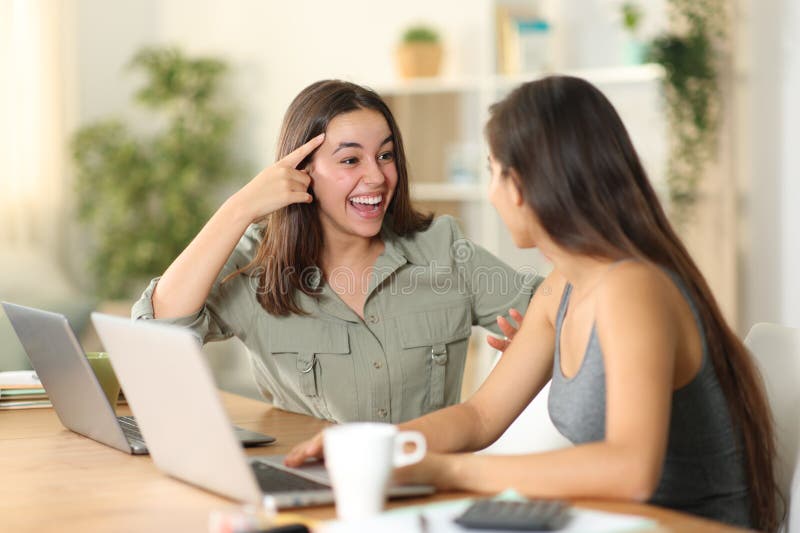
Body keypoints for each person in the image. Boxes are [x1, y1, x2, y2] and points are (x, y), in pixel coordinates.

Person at [285, 76, 779, 530]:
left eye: (493, 172)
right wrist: (377, 447)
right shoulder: (564, 284)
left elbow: (631, 471)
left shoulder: (633, 289)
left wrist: (448, 470)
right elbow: (479, 416)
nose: (492, 192)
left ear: (526, 185)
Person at [132, 79, 540, 424]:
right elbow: (158, 334)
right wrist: (239, 208)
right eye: (350, 160)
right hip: (312, 495)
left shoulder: (442, 248)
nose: (377, 176)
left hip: (429, 492)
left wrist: (541, 339)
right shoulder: (258, 265)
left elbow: (564, 307)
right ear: (300, 173)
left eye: (385, 155)